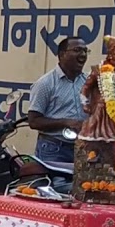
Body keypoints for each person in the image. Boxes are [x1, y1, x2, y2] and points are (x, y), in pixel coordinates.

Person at [27, 36, 89, 164]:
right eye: (77, 50)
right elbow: (33, 121)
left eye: (85, 51)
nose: (83, 55)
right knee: (56, 184)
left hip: (84, 148)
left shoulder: (89, 82)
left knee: (82, 184)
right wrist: (66, 122)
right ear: (62, 55)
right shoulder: (45, 84)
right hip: (54, 149)